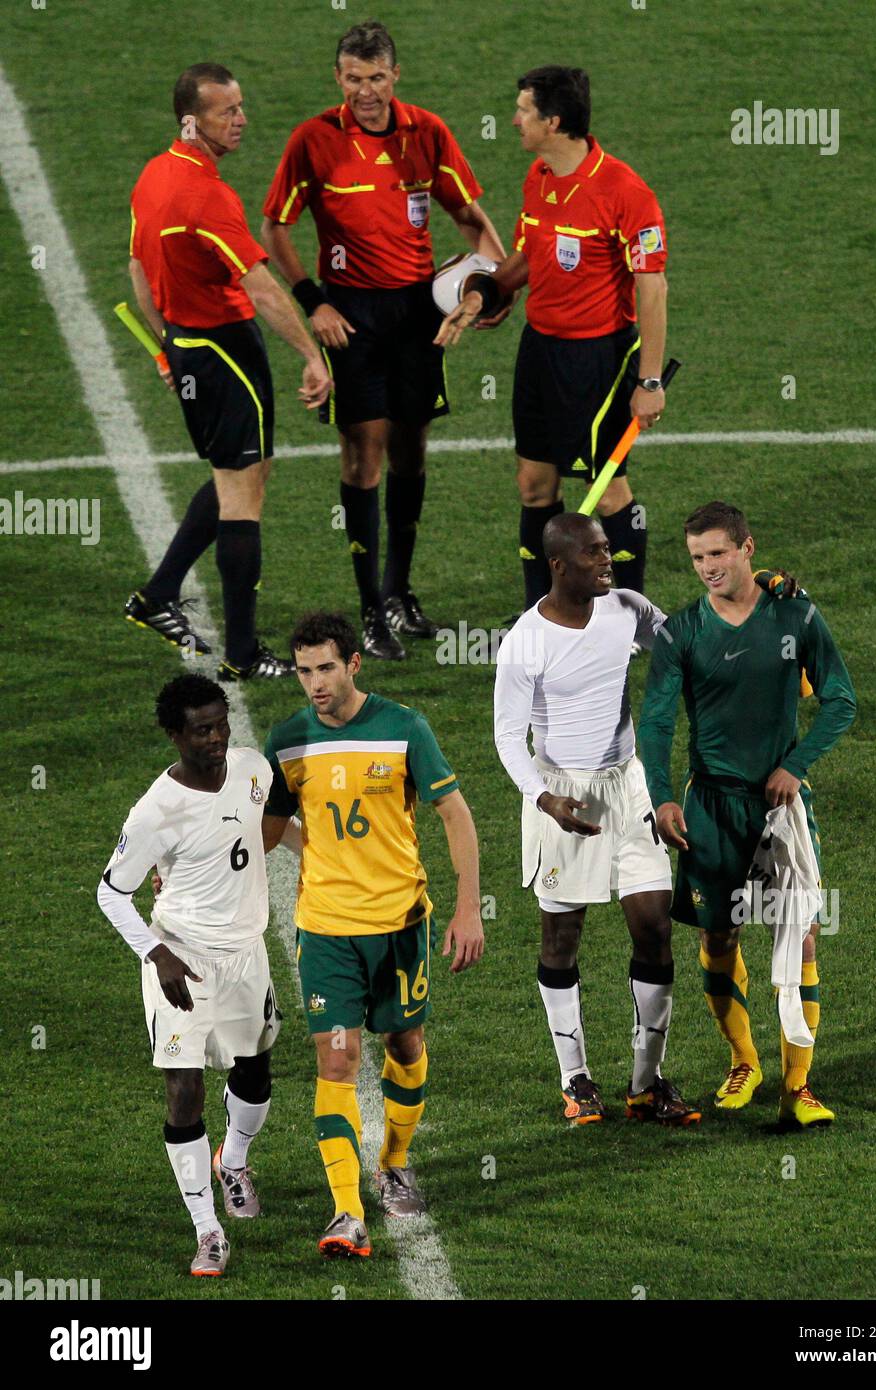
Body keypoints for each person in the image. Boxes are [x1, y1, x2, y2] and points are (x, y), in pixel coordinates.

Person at [261, 21, 509, 661]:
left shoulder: (427, 132)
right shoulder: (313, 139)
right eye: (353, 78)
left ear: (395, 76)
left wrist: (497, 283)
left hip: (416, 312)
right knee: (362, 455)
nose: (365, 91)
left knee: (412, 448)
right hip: (351, 315)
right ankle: (370, 608)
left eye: (376, 78)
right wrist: (312, 299)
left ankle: (400, 590)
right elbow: (275, 228)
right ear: (337, 78)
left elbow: (468, 216)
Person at [261, 611, 484, 1258]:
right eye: (304, 671)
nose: (314, 684)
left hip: (400, 924)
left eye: (326, 668)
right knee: (336, 1059)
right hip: (327, 930)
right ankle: (346, 1213)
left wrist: (469, 909)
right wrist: (189, 873)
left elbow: (456, 814)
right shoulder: (289, 741)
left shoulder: (403, 726)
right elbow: (269, 832)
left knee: (406, 1042)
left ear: (354, 663)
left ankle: (394, 1159)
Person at [638, 501, 857, 1126]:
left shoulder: (796, 614)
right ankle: (744, 1060)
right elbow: (655, 721)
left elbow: (840, 700)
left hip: (781, 806)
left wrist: (799, 763)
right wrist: (663, 797)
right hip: (709, 806)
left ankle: (799, 1088)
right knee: (717, 935)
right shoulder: (680, 632)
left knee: (803, 937)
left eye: (717, 553)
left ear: (746, 549)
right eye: (697, 557)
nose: (707, 567)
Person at [437, 66, 668, 618]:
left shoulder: (625, 193)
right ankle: (536, 614)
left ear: (553, 121)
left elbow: (652, 288)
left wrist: (650, 381)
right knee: (534, 484)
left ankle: (628, 616)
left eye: (523, 111)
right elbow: (528, 255)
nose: (513, 120)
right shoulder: (538, 176)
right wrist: (484, 294)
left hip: (597, 359)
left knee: (609, 492)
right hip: (539, 350)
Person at [125, 63, 331, 680]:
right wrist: (311, 354)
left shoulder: (154, 175)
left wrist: (168, 349)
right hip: (225, 353)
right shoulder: (206, 196)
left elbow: (137, 269)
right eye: (226, 111)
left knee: (241, 473)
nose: (241, 120)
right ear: (192, 119)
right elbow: (263, 289)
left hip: (193, 347)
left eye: (240, 106)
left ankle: (159, 595)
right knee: (244, 498)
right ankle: (243, 654)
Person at [493, 512, 699, 1126]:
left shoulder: (627, 609)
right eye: (595, 554)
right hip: (563, 793)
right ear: (559, 566)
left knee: (655, 923)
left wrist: (756, 594)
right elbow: (507, 736)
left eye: (608, 550)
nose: (609, 561)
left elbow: (690, 645)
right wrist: (544, 799)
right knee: (562, 936)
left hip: (629, 783)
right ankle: (575, 1078)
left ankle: (646, 1081)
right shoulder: (525, 643)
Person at [97, 674, 288, 1276]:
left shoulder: (254, 768)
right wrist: (157, 953)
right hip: (181, 959)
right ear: (174, 735)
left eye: (221, 724)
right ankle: (207, 1231)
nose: (216, 738)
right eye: (202, 730)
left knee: (255, 1072)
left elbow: (264, 835)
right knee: (184, 1089)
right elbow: (110, 893)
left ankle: (232, 1162)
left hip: (246, 955)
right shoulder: (155, 810)